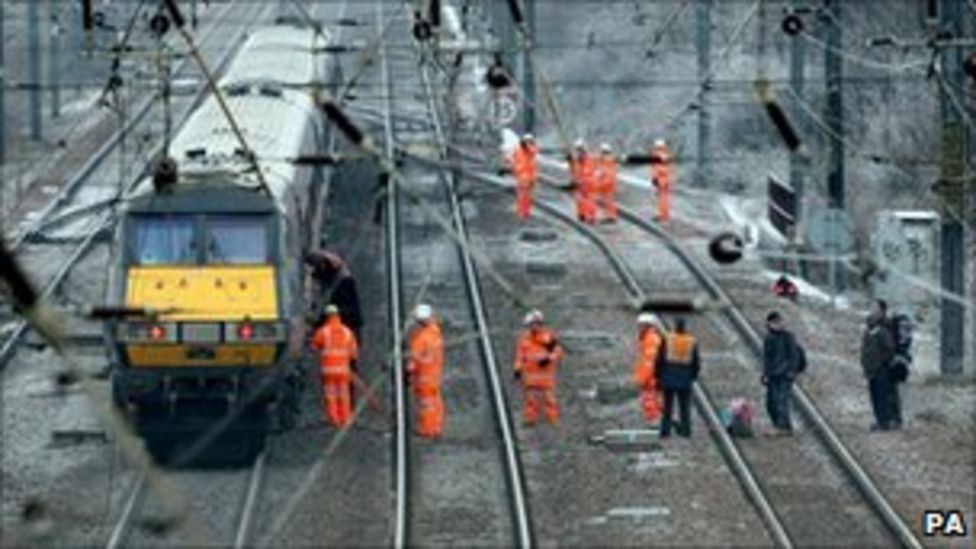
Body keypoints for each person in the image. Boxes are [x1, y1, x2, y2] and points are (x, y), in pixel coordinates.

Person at [310, 304, 359, 428]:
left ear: (327, 316)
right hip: (343, 370)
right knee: (344, 394)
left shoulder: (323, 331)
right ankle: (346, 419)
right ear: (338, 315)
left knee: (331, 395)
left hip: (328, 370)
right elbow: (354, 354)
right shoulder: (347, 332)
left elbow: (313, 347)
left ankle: (334, 420)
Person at [513, 309, 564, 425]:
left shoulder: (548, 338)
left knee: (549, 399)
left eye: (535, 324)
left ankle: (552, 419)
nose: (533, 327)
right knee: (531, 399)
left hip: (545, 375)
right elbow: (520, 355)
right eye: (531, 325)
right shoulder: (524, 339)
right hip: (530, 375)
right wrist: (517, 368)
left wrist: (549, 359)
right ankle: (530, 419)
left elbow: (558, 351)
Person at [304, 250, 363, 343]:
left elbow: (333, 309)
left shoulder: (340, 284)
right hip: (348, 323)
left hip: (346, 325)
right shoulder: (338, 280)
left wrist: (317, 325)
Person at [655, 317, 700, 438]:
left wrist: (658, 376)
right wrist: (693, 377)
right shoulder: (691, 341)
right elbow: (696, 362)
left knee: (667, 407)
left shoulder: (668, 339)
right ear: (685, 327)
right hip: (685, 379)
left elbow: (659, 359)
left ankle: (665, 431)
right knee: (684, 407)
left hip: (668, 378)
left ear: (675, 327)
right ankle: (686, 431)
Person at [860, 299, 900, 431]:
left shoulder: (883, 327)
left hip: (881, 368)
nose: (872, 311)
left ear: (882, 311)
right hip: (871, 368)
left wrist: (881, 362)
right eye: (871, 308)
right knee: (875, 396)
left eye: (875, 308)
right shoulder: (870, 327)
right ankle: (881, 420)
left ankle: (887, 421)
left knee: (884, 395)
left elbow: (889, 348)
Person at [407, 304, 445, 438]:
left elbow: (413, 361)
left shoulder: (421, 339)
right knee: (436, 402)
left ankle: (428, 429)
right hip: (435, 375)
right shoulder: (436, 334)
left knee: (426, 405)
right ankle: (436, 427)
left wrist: (407, 374)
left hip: (423, 378)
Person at [761, 311, 801, 435]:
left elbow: (793, 356)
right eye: (775, 322)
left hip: (784, 375)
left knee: (781, 400)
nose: (778, 325)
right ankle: (779, 424)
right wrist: (765, 374)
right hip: (773, 375)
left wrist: (791, 371)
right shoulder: (769, 338)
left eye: (779, 322)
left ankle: (783, 426)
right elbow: (767, 358)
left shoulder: (788, 337)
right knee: (771, 402)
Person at [633, 313, 664, 423]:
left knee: (650, 401)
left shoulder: (651, 340)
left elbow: (649, 363)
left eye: (641, 325)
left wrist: (642, 379)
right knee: (653, 401)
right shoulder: (649, 338)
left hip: (651, 379)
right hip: (654, 378)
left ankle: (655, 424)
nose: (639, 328)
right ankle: (657, 422)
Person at [510, 133, 539, 220]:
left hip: (529, 176)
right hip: (522, 176)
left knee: (527, 196)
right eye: (527, 141)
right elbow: (513, 160)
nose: (528, 143)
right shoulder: (518, 150)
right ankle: (522, 213)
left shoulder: (531, 150)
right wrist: (514, 169)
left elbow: (534, 151)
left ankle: (526, 212)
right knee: (522, 195)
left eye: (530, 141)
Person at [569, 139, 597, 224]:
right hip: (583, 182)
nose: (578, 151)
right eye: (577, 149)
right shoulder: (578, 159)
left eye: (579, 149)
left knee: (587, 199)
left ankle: (589, 216)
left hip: (586, 182)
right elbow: (573, 170)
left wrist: (580, 180)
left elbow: (585, 171)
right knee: (581, 199)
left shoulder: (586, 159)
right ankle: (583, 215)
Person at [650, 138, 672, 222]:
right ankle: (665, 215)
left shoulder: (657, 155)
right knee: (664, 198)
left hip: (660, 179)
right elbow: (668, 168)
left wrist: (654, 178)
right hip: (666, 179)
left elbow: (656, 168)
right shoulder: (666, 155)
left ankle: (660, 215)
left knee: (660, 198)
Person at [595, 143, 618, 222]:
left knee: (608, 200)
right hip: (607, 183)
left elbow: (605, 172)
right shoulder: (607, 160)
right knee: (608, 200)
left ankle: (610, 216)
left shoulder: (607, 160)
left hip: (606, 183)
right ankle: (609, 215)